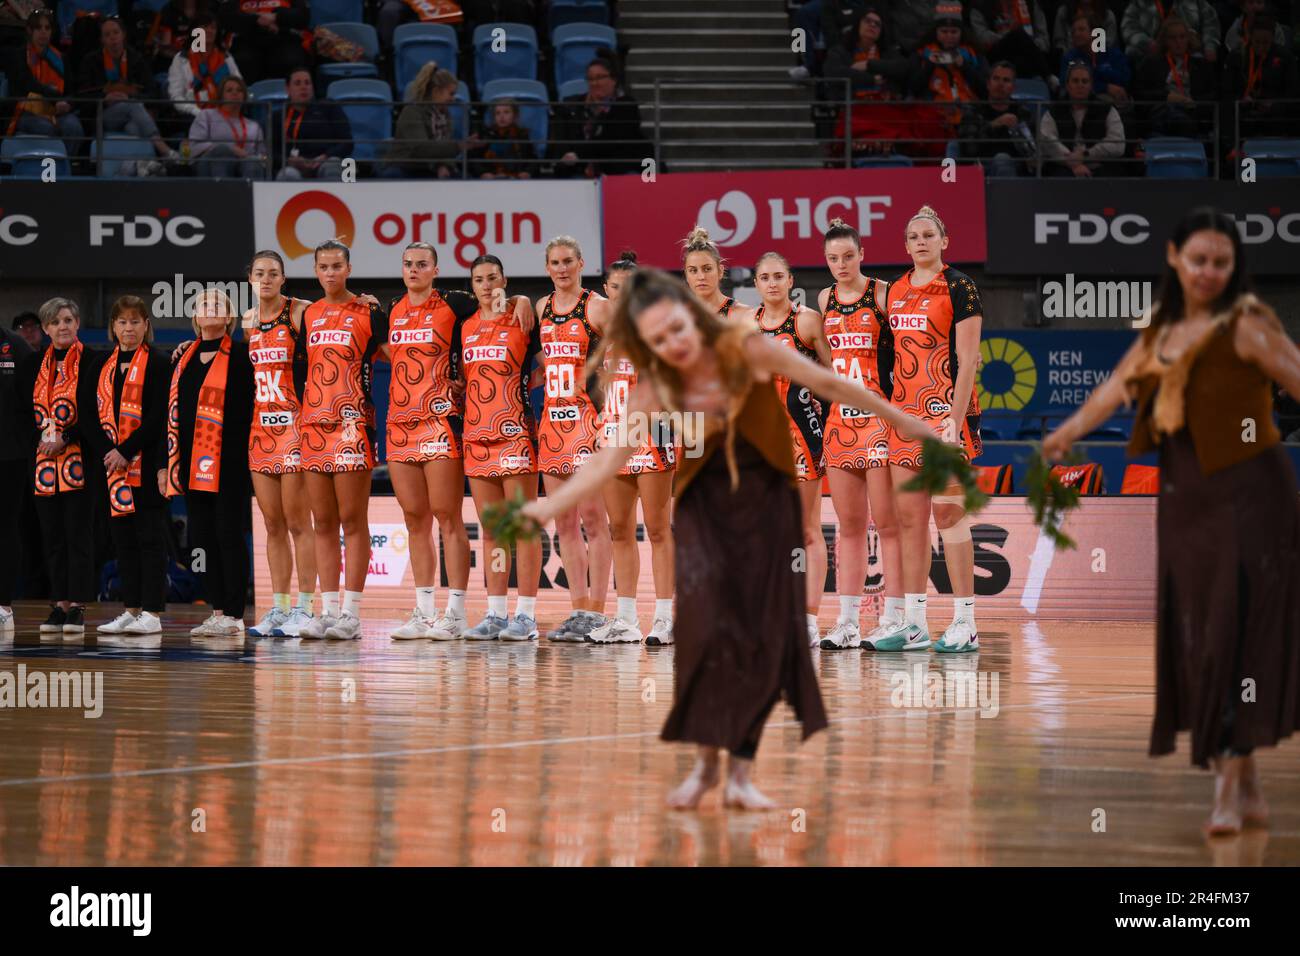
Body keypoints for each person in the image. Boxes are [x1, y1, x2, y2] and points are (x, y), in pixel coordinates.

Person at [522, 269, 932, 809]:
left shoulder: (747, 347)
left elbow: (833, 385)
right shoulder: (656, 385)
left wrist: (902, 418)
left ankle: (740, 773)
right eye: (657, 339)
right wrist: (551, 503)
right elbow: (612, 457)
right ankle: (704, 768)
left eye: (673, 330)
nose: (671, 344)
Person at [1043, 207, 1300, 835]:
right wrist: (1064, 434)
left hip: (1251, 496)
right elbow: (1116, 389)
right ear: (1173, 259)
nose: (1210, 271)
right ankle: (1248, 779)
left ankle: (1225, 787)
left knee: (1235, 634)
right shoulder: (1160, 332)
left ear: (1235, 267)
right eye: (1200, 259)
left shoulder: (1247, 325)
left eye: (1222, 261)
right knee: (1204, 634)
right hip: (1187, 502)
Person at [386, 241, 535, 641]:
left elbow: (509, 315)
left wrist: (520, 296)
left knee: (451, 516)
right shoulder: (391, 311)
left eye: (422, 264)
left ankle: (459, 611)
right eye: (408, 264)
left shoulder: (455, 305)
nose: (414, 269)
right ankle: (423, 611)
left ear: (436, 270)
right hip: (402, 426)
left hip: (453, 426)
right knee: (415, 519)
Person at [881, 206, 984, 653]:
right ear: (905, 246)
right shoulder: (897, 290)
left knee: (949, 515)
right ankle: (916, 623)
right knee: (910, 520)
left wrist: (955, 424)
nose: (920, 242)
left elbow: (967, 361)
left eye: (928, 235)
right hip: (904, 418)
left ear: (944, 241)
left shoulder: (960, 286)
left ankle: (966, 621)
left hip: (946, 416)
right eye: (913, 236)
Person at [735, 253, 831, 647]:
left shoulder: (807, 321)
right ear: (755, 284)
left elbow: (834, 375)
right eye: (764, 277)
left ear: (790, 279)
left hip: (802, 437)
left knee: (807, 529)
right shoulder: (743, 324)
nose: (772, 283)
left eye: (778, 276)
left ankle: (807, 618)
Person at [817, 218, 903, 650]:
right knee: (847, 527)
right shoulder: (824, 298)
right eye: (833, 258)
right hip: (840, 423)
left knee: (888, 523)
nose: (841, 264)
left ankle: (895, 618)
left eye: (848, 256)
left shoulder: (883, 293)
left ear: (862, 254)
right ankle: (847, 621)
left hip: (879, 420)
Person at [297, 240, 388, 641]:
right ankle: (327, 610)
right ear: (316, 270)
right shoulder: (310, 314)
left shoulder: (369, 311)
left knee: (352, 520)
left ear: (348, 268)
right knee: (323, 523)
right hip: (313, 427)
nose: (330, 273)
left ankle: (350, 613)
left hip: (353, 426)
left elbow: (397, 355)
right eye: (323, 267)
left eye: (337, 266)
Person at [588, 252, 676, 645]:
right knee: (619, 529)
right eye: (615, 288)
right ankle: (625, 618)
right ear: (606, 291)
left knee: (657, 530)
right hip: (613, 438)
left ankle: (664, 618)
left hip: (652, 434)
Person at [458, 254, 545, 641]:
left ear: (504, 280)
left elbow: (549, 361)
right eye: (479, 279)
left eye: (493, 278)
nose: (487, 285)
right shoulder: (467, 327)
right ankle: (495, 613)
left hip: (515, 434)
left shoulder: (523, 317)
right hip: (477, 437)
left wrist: (525, 388)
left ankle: (525, 616)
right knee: (492, 531)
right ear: (472, 285)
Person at [534, 236, 615, 642]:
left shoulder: (597, 306)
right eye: (555, 262)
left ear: (581, 263)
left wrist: (610, 415)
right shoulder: (541, 307)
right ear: (547, 267)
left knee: (593, 521)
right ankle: (578, 609)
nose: (562, 268)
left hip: (587, 423)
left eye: (568, 261)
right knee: (564, 522)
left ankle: (598, 613)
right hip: (551, 423)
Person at [163, 289, 254, 636]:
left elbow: (248, 410)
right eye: (204, 305)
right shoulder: (183, 356)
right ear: (196, 317)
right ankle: (216, 609)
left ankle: (234, 613)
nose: (210, 309)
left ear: (229, 318)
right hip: (189, 465)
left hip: (228, 463)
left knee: (228, 535)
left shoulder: (242, 356)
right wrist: (165, 465)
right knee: (201, 541)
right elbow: (170, 415)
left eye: (218, 305)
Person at [242, 250, 317, 638]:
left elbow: (339, 312)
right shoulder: (247, 321)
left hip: (295, 429)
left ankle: (305, 608)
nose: (266, 279)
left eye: (273, 273)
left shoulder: (301, 311)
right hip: (260, 430)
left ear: (284, 278)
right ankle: (279, 607)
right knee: (271, 524)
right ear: (250, 279)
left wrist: (364, 301)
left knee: (297, 522)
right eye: (259, 274)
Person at [86, 296, 169, 636]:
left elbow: (159, 417)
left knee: (150, 540)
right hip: (111, 470)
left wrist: (126, 449)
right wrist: (110, 451)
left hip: (147, 465)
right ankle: (131, 609)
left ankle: (152, 612)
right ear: (113, 327)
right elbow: (88, 415)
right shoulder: (100, 366)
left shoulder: (160, 363)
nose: (129, 328)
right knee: (123, 541)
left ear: (146, 325)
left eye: (135, 321)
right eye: (122, 322)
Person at [23, 298, 101, 635]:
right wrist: (41, 440)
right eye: (55, 322)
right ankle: (59, 603)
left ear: (78, 322)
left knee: (78, 536)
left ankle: (79, 605)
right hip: (42, 462)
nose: (63, 327)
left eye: (68, 319)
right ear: (45, 329)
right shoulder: (32, 364)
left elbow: (99, 412)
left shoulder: (94, 360)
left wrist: (66, 436)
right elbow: (22, 414)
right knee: (52, 536)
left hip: (81, 460)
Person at [549, 49, 648, 179]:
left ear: (613, 80)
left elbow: (615, 141)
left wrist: (579, 154)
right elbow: (561, 142)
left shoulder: (626, 105)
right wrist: (569, 157)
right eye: (590, 79)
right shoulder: (571, 106)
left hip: (617, 170)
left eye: (600, 77)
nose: (594, 83)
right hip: (579, 170)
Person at [0, 314, 36, 633]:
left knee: (6, 529)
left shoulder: (15, 346)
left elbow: (35, 400)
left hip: (9, 457)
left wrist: (27, 444)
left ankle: (3, 606)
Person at [5, 10, 83, 151]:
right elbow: (26, 85)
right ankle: (49, 166)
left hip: (56, 111)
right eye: (38, 28)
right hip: (26, 111)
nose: (43, 32)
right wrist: (55, 98)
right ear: (30, 31)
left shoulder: (61, 58)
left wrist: (67, 104)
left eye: (47, 28)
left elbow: (72, 90)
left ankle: (65, 168)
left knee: (74, 127)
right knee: (46, 128)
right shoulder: (18, 56)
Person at [1134, 15, 1217, 138]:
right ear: (1165, 41)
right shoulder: (1151, 63)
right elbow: (1139, 92)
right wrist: (1166, 96)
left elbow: (1213, 93)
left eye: (1182, 37)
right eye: (1172, 38)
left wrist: (1194, 102)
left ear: (1188, 39)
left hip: (1193, 112)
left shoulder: (1201, 65)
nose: (1178, 42)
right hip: (1163, 111)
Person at [1038, 62, 1125, 177]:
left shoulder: (1107, 109)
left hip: (1100, 166)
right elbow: (1047, 141)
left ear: (1091, 86)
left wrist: (1086, 154)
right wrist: (1073, 162)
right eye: (1075, 81)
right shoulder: (1054, 111)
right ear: (1067, 86)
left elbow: (1118, 144)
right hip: (1064, 168)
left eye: (1085, 81)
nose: (1080, 85)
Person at [382, 62, 462, 180]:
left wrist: (445, 165)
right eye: (451, 94)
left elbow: (444, 149)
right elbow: (420, 149)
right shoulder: (412, 111)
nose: (453, 98)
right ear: (436, 91)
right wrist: (457, 147)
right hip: (405, 167)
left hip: (428, 168)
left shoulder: (446, 115)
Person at [1224, 12, 1299, 139]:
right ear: (1250, 37)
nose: (1261, 47)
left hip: (1276, 112)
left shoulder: (1285, 57)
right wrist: (1241, 100)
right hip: (1244, 109)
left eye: (1266, 43)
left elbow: (1293, 91)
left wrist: (1274, 105)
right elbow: (1227, 90)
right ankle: (1233, 151)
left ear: (1273, 38)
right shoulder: (1236, 56)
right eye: (1257, 42)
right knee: (1226, 108)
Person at [271, 68, 352, 181]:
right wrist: (288, 161)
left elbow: (347, 143)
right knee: (287, 174)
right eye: (297, 83)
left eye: (307, 83)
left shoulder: (329, 107)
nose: (303, 87)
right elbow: (271, 152)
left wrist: (325, 156)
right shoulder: (278, 116)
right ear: (288, 89)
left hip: (325, 161)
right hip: (293, 166)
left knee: (333, 165)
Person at [957, 59, 1035, 176]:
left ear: (1013, 88)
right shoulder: (973, 110)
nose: (1000, 84)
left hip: (1014, 168)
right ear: (988, 84)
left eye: (1006, 80)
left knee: (1002, 159)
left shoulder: (1022, 112)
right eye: (996, 79)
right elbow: (968, 149)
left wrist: (1018, 131)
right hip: (980, 168)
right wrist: (994, 124)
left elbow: (1032, 153)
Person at [186, 75, 265, 178]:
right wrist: (231, 149)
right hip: (208, 163)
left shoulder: (254, 126)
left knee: (252, 163)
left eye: (239, 90)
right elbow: (194, 147)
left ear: (244, 96)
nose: (235, 93)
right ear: (221, 95)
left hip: (244, 164)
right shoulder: (206, 115)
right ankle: (221, 191)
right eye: (229, 90)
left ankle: (249, 193)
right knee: (222, 150)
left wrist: (255, 158)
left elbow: (263, 156)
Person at [167, 13, 241, 119]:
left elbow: (239, 87)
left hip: (227, 115)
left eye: (213, 28)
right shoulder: (182, 59)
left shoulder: (226, 57)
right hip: (193, 116)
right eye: (204, 27)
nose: (209, 31)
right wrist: (197, 112)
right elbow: (176, 97)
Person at [216, 0, 307, 86]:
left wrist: (276, 17)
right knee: (243, 61)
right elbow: (226, 17)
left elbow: (303, 15)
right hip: (247, 38)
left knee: (291, 60)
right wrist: (257, 19)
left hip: (283, 37)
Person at [1059, 11, 1132, 104]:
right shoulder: (1069, 57)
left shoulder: (1113, 54)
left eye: (1081, 29)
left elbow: (1124, 79)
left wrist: (1098, 74)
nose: (1076, 34)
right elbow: (1065, 84)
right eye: (1073, 31)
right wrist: (1106, 87)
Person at [1123, 0, 1222, 62]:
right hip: (1153, 51)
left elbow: (1211, 24)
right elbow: (1128, 26)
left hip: (1189, 51)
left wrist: (1210, 46)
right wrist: (1147, 43)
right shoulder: (1139, 2)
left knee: (1201, 59)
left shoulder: (1198, 2)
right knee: (1131, 51)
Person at [681, 227, 741, 319]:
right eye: (693, 270)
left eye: (707, 269)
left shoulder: (743, 314)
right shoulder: (680, 318)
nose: (701, 277)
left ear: (720, 271)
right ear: (686, 275)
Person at [472, 99, 534, 180]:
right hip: (491, 179)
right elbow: (475, 159)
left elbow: (532, 158)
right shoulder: (486, 134)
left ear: (515, 115)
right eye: (497, 113)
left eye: (506, 112)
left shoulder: (522, 135)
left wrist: (527, 172)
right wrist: (483, 173)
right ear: (494, 117)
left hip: (517, 179)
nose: (501, 116)